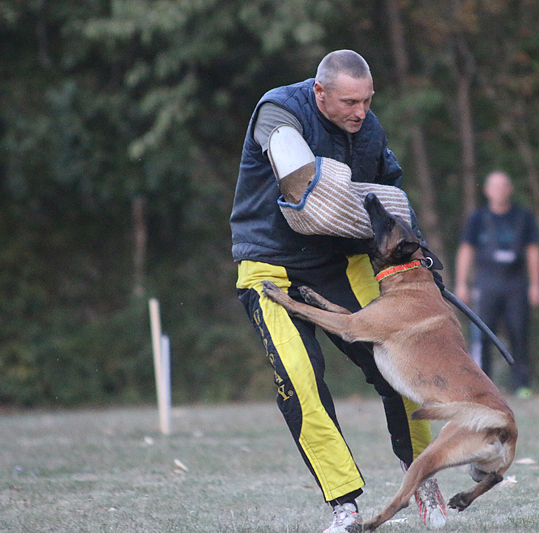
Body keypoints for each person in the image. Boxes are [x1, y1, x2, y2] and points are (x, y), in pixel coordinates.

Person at [230, 50, 446, 533]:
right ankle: (344, 507)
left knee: (399, 369)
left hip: (339, 264)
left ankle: (424, 481)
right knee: (301, 383)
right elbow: (293, 165)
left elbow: (389, 204)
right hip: (269, 266)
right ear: (319, 92)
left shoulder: (368, 130)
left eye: (367, 101)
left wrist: (424, 257)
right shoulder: (279, 110)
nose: (360, 112)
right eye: (349, 101)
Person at [454, 170, 539, 398]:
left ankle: (521, 385)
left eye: (504, 186)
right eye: (495, 186)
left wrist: (535, 285)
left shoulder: (523, 217)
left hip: (516, 283)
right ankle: (483, 386)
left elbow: (533, 250)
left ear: (509, 190)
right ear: (487, 191)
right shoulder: (478, 218)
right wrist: (462, 283)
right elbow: (466, 249)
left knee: (519, 333)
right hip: (486, 283)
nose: (499, 191)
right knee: (482, 336)